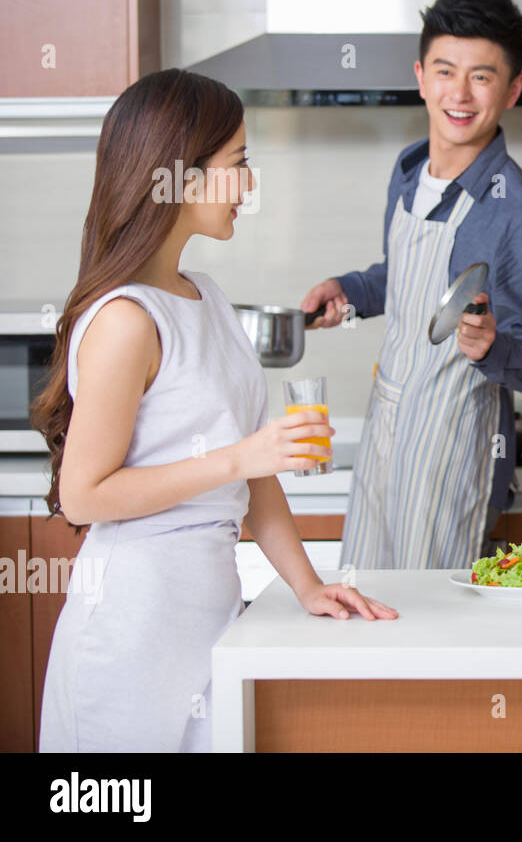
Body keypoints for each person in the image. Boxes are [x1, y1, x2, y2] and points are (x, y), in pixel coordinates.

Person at [31, 69, 397, 753]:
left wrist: (308, 586)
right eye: (240, 164)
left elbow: (254, 483)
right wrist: (238, 455)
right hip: (127, 636)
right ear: (179, 174)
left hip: (207, 626)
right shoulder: (126, 319)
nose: (249, 187)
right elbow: (84, 495)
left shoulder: (208, 298)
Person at [301, 0, 522, 569]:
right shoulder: (409, 172)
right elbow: (406, 279)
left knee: (428, 638)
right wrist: (352, 290)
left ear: (513, 88)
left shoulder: (518, 214)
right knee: (364, 605)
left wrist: (494, 346)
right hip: (384, 428)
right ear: (421, 76)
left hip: (452, 452)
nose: (459, 94)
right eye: (446, 71)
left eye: (482, 76)